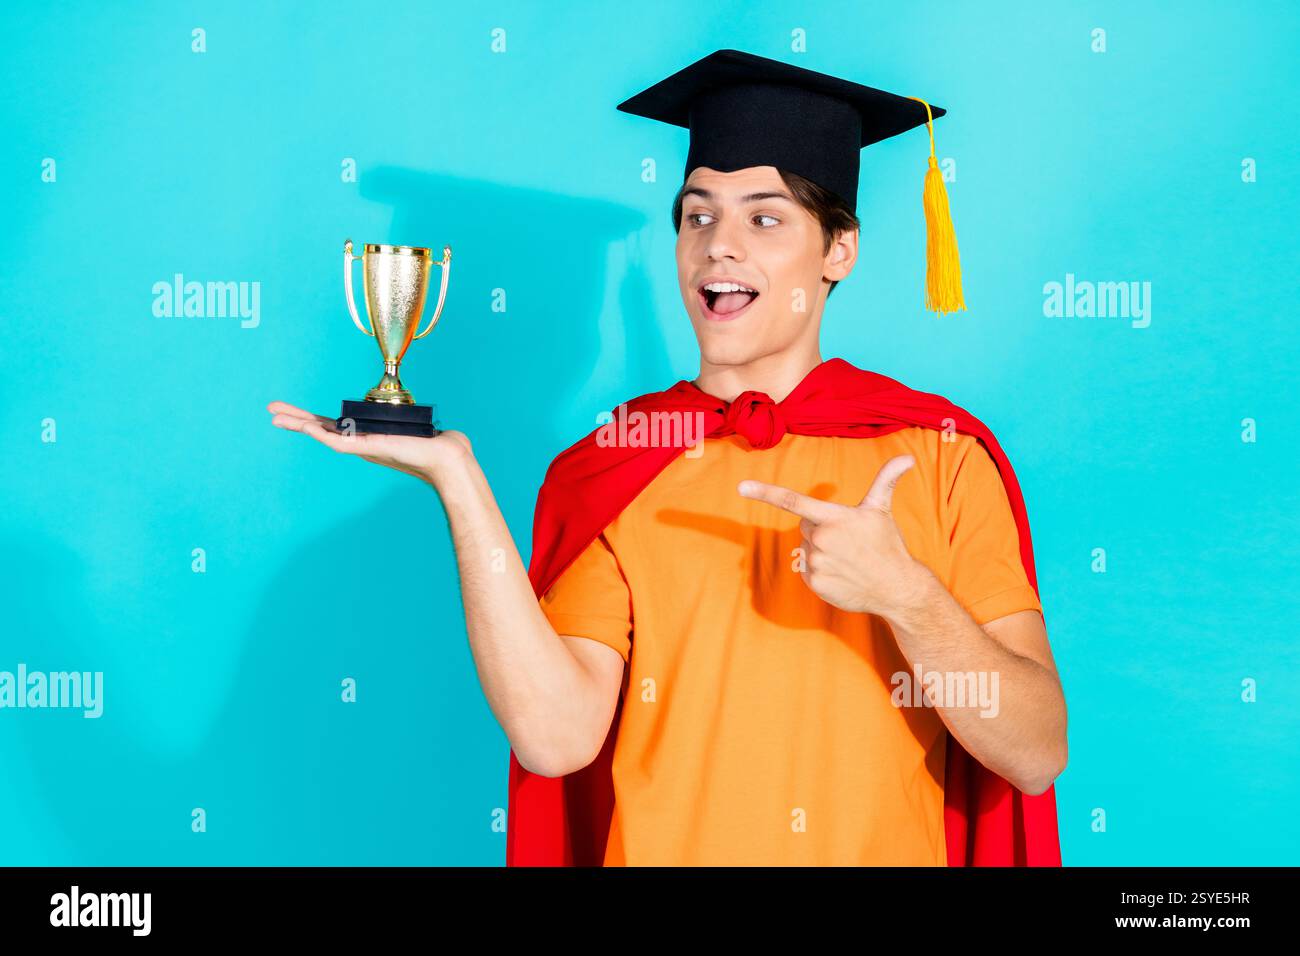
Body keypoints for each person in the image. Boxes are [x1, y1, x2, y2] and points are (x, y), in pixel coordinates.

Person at [269, 49, 1066, 866]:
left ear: (839, 251)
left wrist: (907, 596)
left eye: (764, 218)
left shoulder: (939, 456)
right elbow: (555, 739)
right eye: (697, 215)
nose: (719, 246)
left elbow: (1035, 752)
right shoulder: (619, 463)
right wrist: (461, 486)